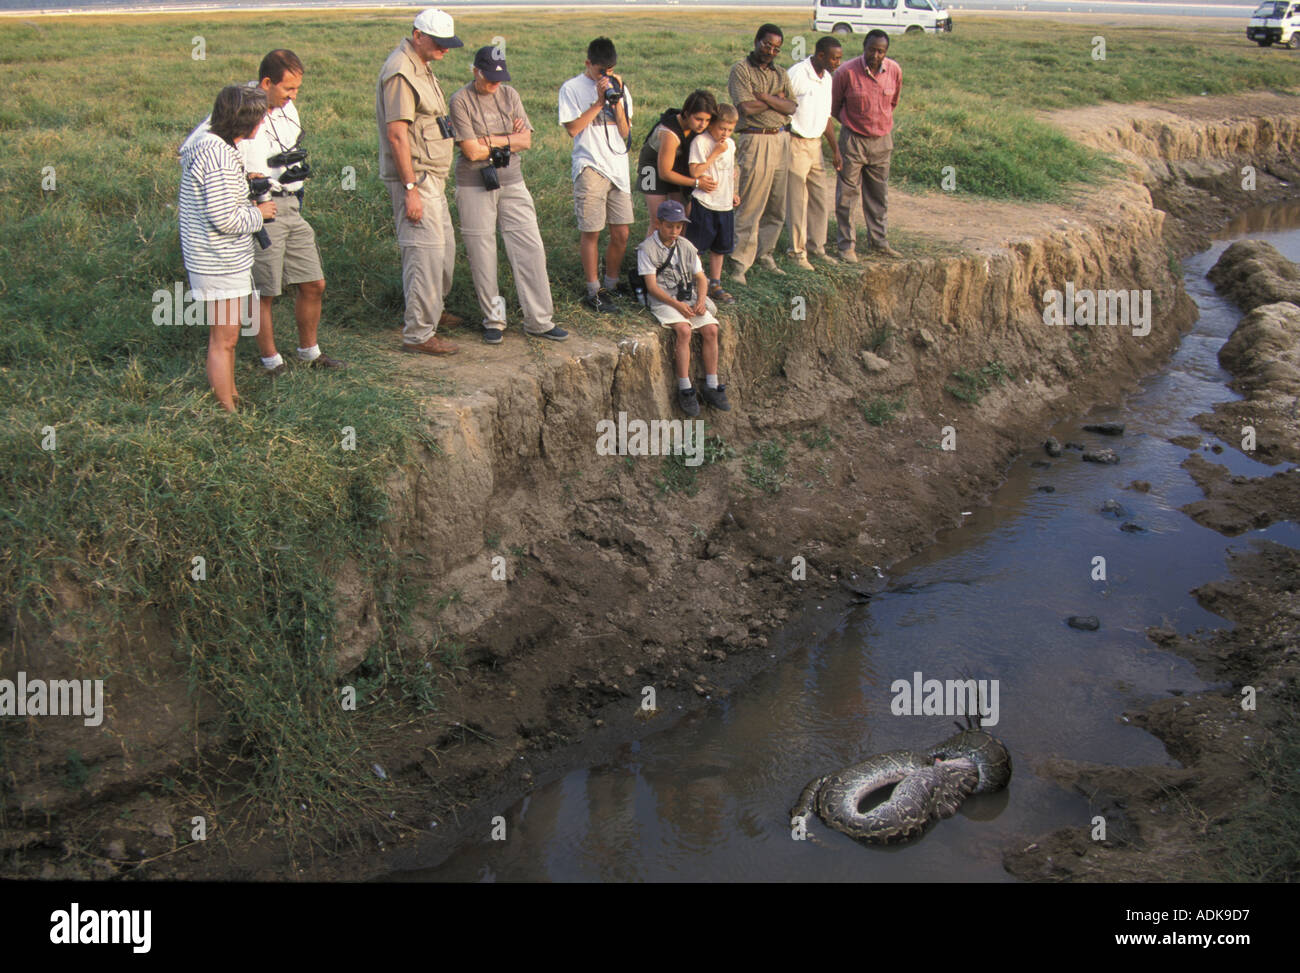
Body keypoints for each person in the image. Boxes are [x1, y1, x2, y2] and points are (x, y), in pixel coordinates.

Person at [179, 51, 343, 374]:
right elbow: (192, 149)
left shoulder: (287, 108)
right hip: (256, 208)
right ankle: (272, 361)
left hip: (290, 203)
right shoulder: (239, 107)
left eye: (297, 89)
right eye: (288, 89)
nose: (293, 96)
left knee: (314, 282)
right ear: (267, 83)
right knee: (264, 289)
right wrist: (243, 182)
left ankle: (309, 351)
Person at [449, 46, 567, 344]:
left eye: (499, 78)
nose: (495, 84)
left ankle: (539, 320)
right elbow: (470, 150)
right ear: (475, 71)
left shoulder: (510, 95)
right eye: (489, 78)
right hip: (474, 183)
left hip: (513, 180)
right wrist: (506, 139)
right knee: (482, 253)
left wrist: (490, 140)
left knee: (530, 247)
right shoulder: (460, 100)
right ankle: (494, 319)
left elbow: (525, 140)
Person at [178, 85, 276, 412]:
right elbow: (224, 218)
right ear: (243, 121)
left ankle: (231, 394)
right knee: (225, 340)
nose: (262, 124)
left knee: (228, 338)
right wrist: (258, 214)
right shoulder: (218, 155)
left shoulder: (214, 145)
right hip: (216, 260)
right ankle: (227, 412)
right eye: (259, 119)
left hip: (218, 257)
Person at [376, 8, 464, 356]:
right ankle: (418, 333)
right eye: (440, 43)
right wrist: (410, 189)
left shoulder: (422, 66)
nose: (445, 49)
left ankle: (432, 313)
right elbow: (397, 135)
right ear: (418, 35)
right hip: (417, 177)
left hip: (432, 176)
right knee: (424, 255)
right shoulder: (400, 71)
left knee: (443, 253)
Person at [559, 37, 634, 314]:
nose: (606, 76)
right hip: (590, 166)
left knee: (622, 232)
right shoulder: (571, 88)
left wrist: (616, 103)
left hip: (618, 168)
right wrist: (598, 102)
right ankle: (594, 290)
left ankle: (611, 286)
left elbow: (626, 133)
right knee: (592, 230)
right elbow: (572, 129)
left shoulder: (621, 87)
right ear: (588, 64)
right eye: (601, 71)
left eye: (611, 71)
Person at [637, 200, 729, 418]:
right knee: (684, 330)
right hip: (665, 299)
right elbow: (652, 287)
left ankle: (711, 384)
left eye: (678, 226)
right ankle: (685, 387)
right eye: (670, 226)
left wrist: (701, 300)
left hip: (689, 298)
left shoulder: (687, 246)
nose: (674, 231)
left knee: (711, 330)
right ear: (658, 223)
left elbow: (701, 278)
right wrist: (677, 305)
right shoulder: (647, 249)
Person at [727, 24, 797, 285]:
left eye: (776, 48)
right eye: (767, 45)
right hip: (756, 139)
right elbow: (746, 108)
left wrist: (764, 97)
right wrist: (775, 99)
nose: (771, 51)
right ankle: (739, 262)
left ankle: (765, 254)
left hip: (781, 137)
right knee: (750, 204)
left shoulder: (780, 71)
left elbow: (791, 106)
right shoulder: (741, 69)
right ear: (756, 41)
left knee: (777, 204)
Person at [831, 29, 902, 262]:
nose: (876, 55)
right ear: (864, 46)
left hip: (882, 141)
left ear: (886, 52)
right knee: (847, 195)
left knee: (878, 194)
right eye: (872, 49)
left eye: (881, 51)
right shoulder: (846, 72)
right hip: (853, 140)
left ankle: (879, 241)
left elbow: (893, 102)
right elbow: (834, 106)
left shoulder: (894, 70)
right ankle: (846, 246)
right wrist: (853, 126)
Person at [785, 36, 843, 270]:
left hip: (816, 144)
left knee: (820, 197)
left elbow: (826, 116)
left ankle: (816, 246)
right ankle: (796, 252)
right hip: (796, 142)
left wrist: (835, 149)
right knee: (798, 200)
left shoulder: (827, 78)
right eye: (834, 58)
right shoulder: (798, 74)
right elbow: (784, 108)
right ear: (820, 56)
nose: (838, 62)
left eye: (839, 58)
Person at [637, 89, 717, 238]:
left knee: (682, 218)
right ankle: (650, 258)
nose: (703, 125)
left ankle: (675, 256)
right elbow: (665, 173)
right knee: (658, 220)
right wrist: (697, 183)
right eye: (699, 119)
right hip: (653, 167)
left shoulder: (698, 128)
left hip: (679, 165)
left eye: (707, 120)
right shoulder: (669, 134)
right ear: (686, 114)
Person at [685, 103, 741, 305]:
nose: (725, 133)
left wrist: (734, 192)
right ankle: (695, 280)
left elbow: (731, 170)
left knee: (720, 247)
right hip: (705, 202)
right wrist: (715, 153)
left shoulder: (731, 144)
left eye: (730, 130)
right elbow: (695, 172)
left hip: (724, 203)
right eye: (721, 128)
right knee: (697, 245)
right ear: (712, 125)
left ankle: (715, 282)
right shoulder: (701, 142)